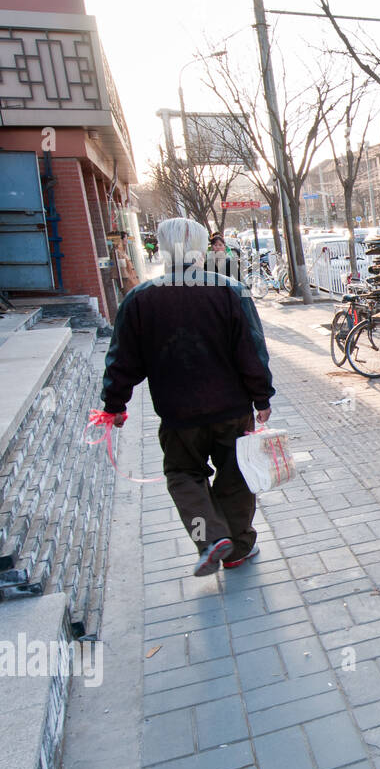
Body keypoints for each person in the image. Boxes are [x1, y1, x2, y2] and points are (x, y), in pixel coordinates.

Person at [101, 217, 275, 576]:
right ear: (200, 248)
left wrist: (114, 405)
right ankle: (238, 549)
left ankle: (209, 539)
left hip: (179, 415)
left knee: (183, 475)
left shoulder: (139, 299)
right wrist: (262, 398)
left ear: (161, 249)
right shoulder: (229, 290)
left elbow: (122, 359)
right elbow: (252, 351)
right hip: (231, 409)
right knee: (236, 477)